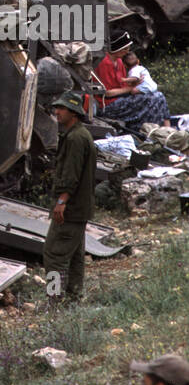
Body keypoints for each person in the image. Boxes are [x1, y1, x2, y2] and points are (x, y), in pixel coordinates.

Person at [42, 91, 96, 305]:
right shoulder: (81, 134)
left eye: (61, 109)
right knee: (74, 255)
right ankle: (73, 299)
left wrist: (61, 202)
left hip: (71, 208)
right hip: (80, 208)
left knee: (54, 255)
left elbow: (71, 175)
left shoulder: (75, 138)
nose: (56, 112)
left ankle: (54, 301)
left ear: (73, 112)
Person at [95, 40, 171, 130]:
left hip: (121, 98)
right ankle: (153, 130)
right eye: (125, 49)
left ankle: (164, 129)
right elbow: (107, 93)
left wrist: (137, 84)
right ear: (118, 48)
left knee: (158, 96)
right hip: (108, 105)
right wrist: (131, 87)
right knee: (155, 98)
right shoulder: (104, 63)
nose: (127, 52)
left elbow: (124, 85)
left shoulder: (119, 62)